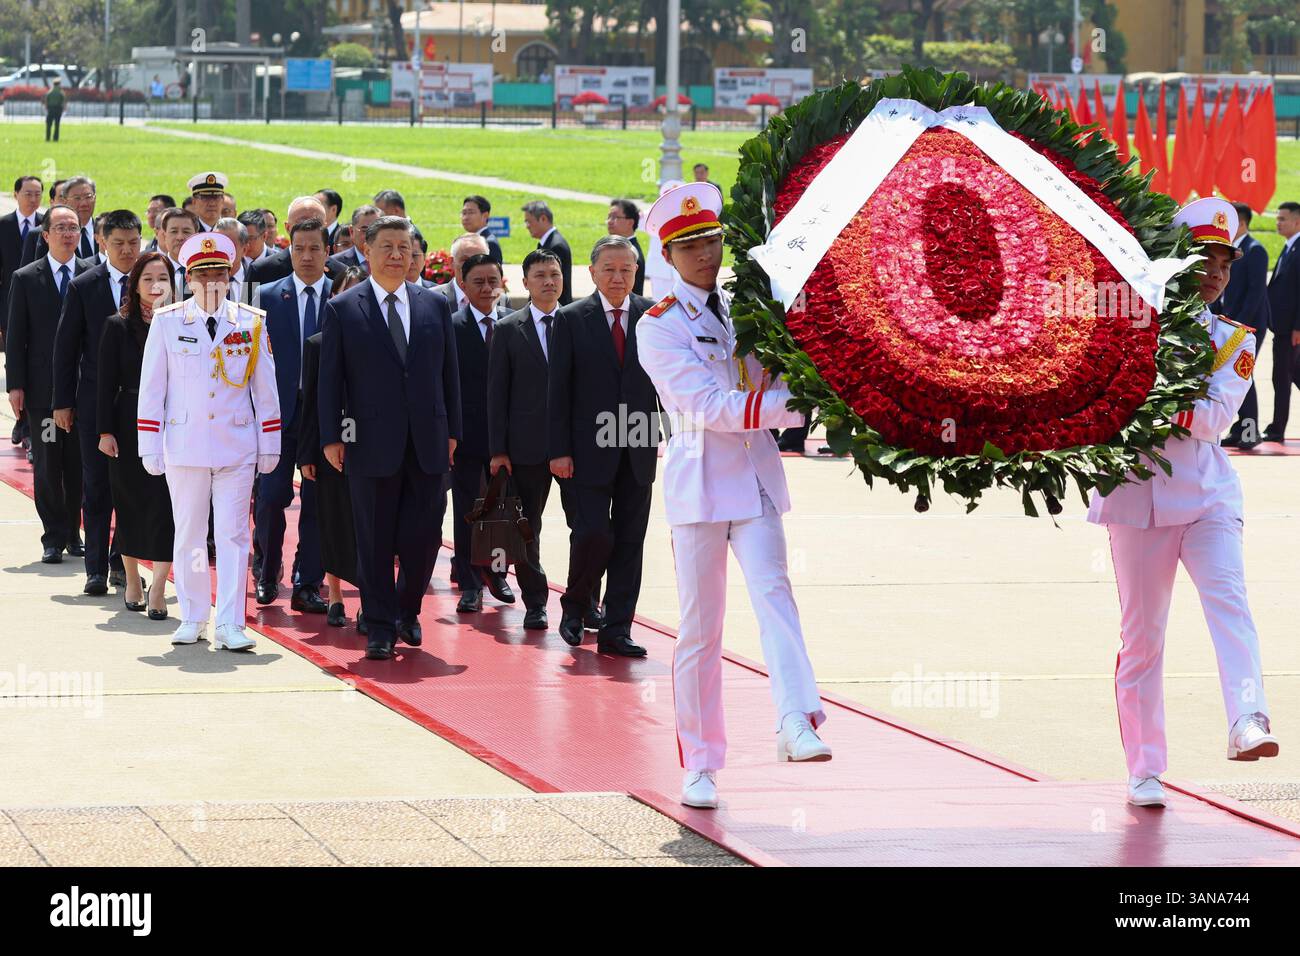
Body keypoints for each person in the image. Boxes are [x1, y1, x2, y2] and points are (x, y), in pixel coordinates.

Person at [637, 182, 830, 810]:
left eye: (714, 240)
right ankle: (700, 762)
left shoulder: (750, 306)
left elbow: (779, 366)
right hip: (699, 487)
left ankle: (796, 719)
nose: (706, 253)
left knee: (777, 593)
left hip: (754, 479)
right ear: (667, 254)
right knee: (700, 629)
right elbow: (710, 407)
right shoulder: (658, 326)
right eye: (690, 245)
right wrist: (793, 406)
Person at [1089, 198, 1278, 809]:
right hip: (1138, 503)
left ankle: (1248, 717)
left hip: (1207, 497)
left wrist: (1143, 401)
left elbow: (1213, 419)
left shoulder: (1235, 343)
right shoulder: (1123, 327)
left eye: (1226, 261)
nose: (1217, 273)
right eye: (1205, 258)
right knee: (1142, 638)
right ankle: (1145, 766)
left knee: (1231, 604)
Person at [318, 216, 461, 660]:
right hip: (369, 442)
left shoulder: (433, 305)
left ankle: (407, 612)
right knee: (374, 539)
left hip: (429, 441)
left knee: (423, 537)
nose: (398, 256)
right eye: (388, 247)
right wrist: (332, 437)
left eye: (405, 247)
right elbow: (331, 382)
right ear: (367, 249)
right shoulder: (344, 308)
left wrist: (453, 430)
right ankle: (380, 625)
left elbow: (449, 375)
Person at [137, 232, 280, 650]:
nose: (211, 279)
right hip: (186, 444)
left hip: (236, 443)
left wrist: (269, 441)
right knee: (189, 533)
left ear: (230, 275)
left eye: (219, 271)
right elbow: (152, 387)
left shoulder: (252, 321)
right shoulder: (167, 321)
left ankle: (231, 623)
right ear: (189, 277)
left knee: (234, 535)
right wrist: (149, 442)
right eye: (202, 273)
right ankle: (196, 614)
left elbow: (265, 387)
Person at [548, 235, 656, 656]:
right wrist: (558, 450)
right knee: (593, 533)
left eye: (626, 270)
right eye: (609, 269)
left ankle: (616, 629)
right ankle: (576, 606)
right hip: (586, 451)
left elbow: (667, 381)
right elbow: (558, 390)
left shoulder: (653, 317)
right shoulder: (573, 318)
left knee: (630, 540)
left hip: (640, 445)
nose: (618, 277)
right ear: (592, 272)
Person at [52, 208, 141, 593]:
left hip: (138, 404)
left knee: (132, 485)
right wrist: (62, 402)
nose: (126, 250)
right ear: (102, 242)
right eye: (118, 243)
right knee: (97, 483)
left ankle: (122, 561)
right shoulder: (85, 285)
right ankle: (95, 570)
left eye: (133, 243)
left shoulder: (153, 282)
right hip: (92, 402)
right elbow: (66, 348)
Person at [253, 217, 331, 614]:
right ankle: (267, 571)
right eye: (298, 248)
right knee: (270, 497)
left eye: (314, 248)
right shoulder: (266, 295)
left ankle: (308, 581)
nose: (306, 256)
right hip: (276, 415)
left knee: (319, 503)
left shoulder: (342, 297)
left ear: (327, 251)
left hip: (323, 418)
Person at [5, 204, 89, 563]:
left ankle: (73, 530)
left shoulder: (91, 275)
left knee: (77, 465)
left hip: (81, 391)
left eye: (74, 227)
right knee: (48, 460)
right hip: (43, 394)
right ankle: (53, 534)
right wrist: (16, 385)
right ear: (46, 235)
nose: (69, 233)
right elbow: (16, 335)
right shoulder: (26, 278)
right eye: (62, 227)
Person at [488, 249, 566, 630]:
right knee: (525, 528)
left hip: (576, 447)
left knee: (587, 529)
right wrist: (498, 449)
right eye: (540, 275)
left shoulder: (579, 323)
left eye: (555, 273)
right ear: (525, 283)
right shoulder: (507, 329)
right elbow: (496, 394)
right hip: (525, 448)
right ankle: (535, 601)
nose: (549, 281)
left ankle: (586, 602)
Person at [97, 253, 175, 618]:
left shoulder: (182, 323)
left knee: (166, 507)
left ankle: (159, 586)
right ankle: (132, 578)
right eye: (148, 279)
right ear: (136, 284)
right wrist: (105, 431)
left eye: (164, 278)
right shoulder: (118, 326)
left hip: (173, 424)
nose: (156, 285)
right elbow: (104, 384)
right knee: (129, 504)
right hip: (127, 423)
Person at [298, 266, 367, 627]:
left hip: (372, 445)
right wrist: (307, 453)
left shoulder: (382, 340)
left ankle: (369, 597)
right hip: (332, 448)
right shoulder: (318, 343)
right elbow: (311, 403)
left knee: (370, 523)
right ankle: (336, 594)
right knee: (333, 521)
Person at [448, 253, 515, 613]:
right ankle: (470, 583)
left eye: (493, 281)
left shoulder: (512, 323)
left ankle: (498, 573)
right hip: (467, 438)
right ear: (462, 285)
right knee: (467, 511)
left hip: (506, 438)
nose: (487, 288)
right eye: (479, 282)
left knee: (501, 509)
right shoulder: (452, 326)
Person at [1215, 202, 1272, 449]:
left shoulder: (1255, 250)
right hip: (1231, 322)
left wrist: (1239, 325)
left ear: (1242, 222)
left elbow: (1256, 291)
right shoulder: (1230, 250)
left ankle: (1250, 432)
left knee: (1243, 374)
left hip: (1249, 324)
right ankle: (1240, 429)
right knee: (1237, 374)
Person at [1264, 201, 1300, 443]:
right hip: (1282, 326)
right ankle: (1276, 426)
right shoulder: (1290, 248)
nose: (1278, 222)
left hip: (1292, 329)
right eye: (1277, 218)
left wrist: (1298, 326)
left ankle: (1277, 429)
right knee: (1291, 374)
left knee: (1282, 378)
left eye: (1283, 219)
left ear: (1297, 222)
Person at [246, 196, 328, 285]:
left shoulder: (339, 273)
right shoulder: (258, 270)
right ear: (288, 227)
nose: (308, 228)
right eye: (301, 223)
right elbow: (245, 299)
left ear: (326, 227)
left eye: (316, 223)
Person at [523, 200, 572, 306]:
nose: (527, 226)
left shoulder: (555, 246)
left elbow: (557, 288)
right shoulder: (548, 242)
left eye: (528, 221)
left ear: (543, 218)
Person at [435, 233, 488, 315]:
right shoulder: (433, 298)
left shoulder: (498, 300)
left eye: (478, 259)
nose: (472, 265)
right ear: (451, 262)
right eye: (465, 260)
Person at [324, 205, 378, 279]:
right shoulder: (333, 264)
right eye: (364, 230)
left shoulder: (391, 261)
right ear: (352, 232)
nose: (370, 235)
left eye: (376, 230)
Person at [606, 199, 645, 296]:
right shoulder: (620, 248)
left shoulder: (631, 253)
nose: (610, 221)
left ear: (630, 223)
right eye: (609, 217)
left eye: (615, 217)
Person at [461, 195, 503, 265]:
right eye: (464, 213)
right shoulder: (462, 240)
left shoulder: (490, 243)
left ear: (485, 216)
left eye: (471, 212)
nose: (465, 217)